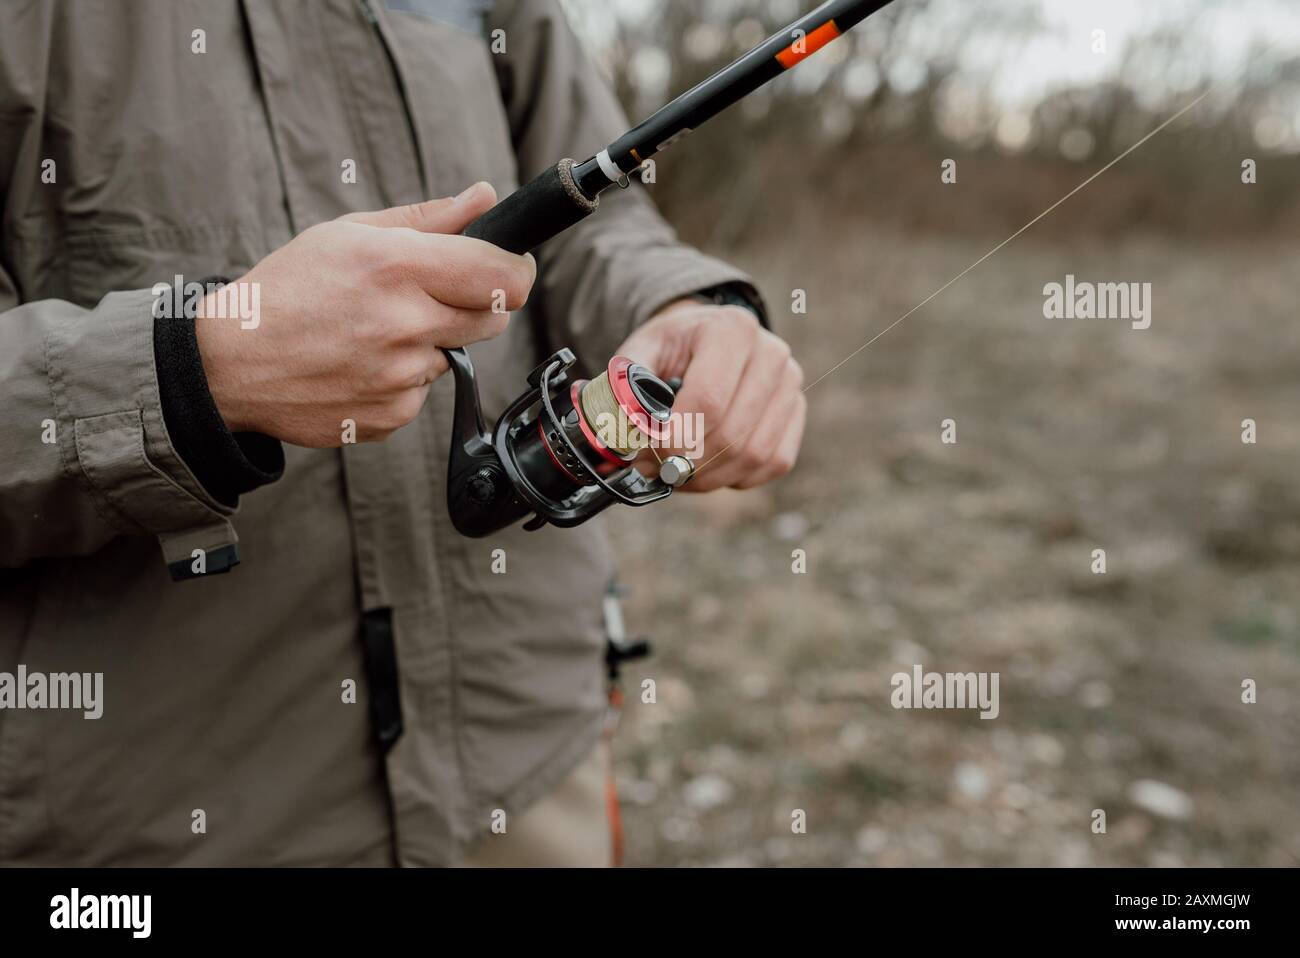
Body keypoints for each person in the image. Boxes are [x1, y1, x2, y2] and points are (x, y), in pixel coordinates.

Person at [0, 0, 805, 866]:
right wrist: (198, 370)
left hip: (531, 763)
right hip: (161, 825)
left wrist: (688, 305)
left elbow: (601, 218)